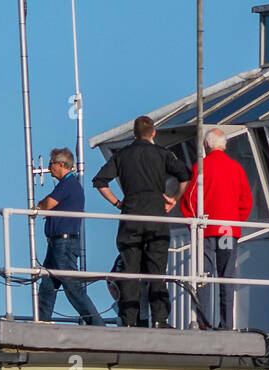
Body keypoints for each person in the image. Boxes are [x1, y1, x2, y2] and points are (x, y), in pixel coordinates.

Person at [92, 115, 190, 328]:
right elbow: (185, 175)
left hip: (131, 216)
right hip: (155, 216)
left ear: (134, 133)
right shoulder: (162, 154)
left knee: (130, 270)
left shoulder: (123, 155)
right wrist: (173, 199)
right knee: (157, 270)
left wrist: (118, 203)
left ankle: (129, 320)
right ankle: (159, 319)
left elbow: (100, 181)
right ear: (153, 133)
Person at [180, 128, 253, 329]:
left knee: (203, 276)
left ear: (206, 145)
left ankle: (202, 322)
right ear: (224, 145)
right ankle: (226, 324)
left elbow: (189, 200)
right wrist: (235, 222)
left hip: (205, 230)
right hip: (228, 231)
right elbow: (246, 201)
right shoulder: (236, 168)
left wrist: (192, 224)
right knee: (226, 276)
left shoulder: (199, 168)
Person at [36, 148, 104, 325]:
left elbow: (47, 204)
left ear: (61, 164)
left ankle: (96, 324)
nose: (49, 168)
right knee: (47, 286)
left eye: (51, 164)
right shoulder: (66, 185)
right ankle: (42, 322)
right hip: (56, 243)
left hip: (63, 243)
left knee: (72, 286)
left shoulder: (68, 184)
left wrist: (42, 205)